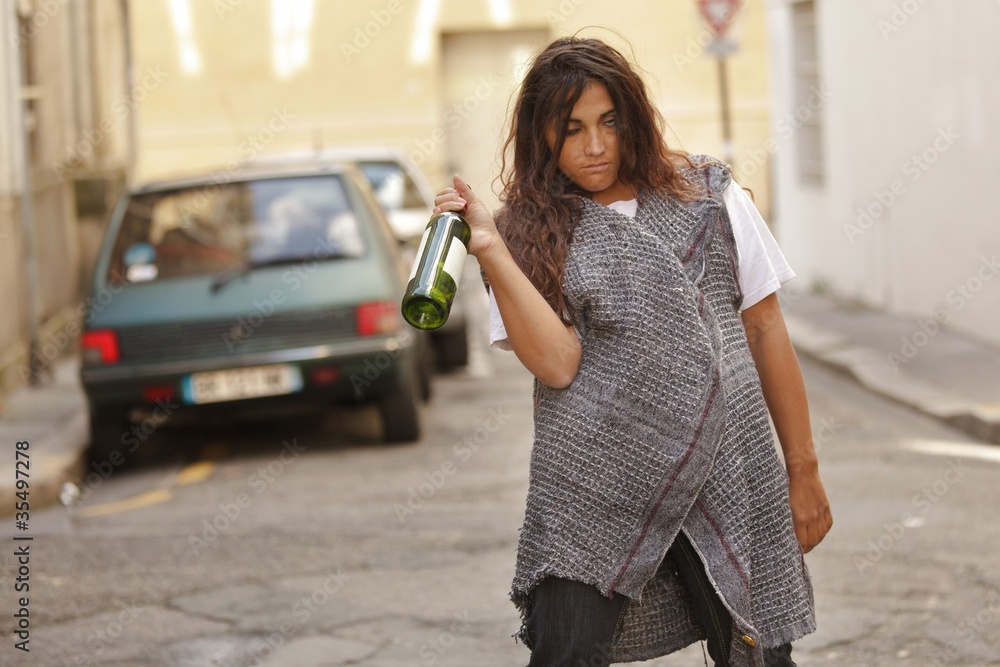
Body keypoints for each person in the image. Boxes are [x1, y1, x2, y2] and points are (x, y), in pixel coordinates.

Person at [433, 36, 832, 667]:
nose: (594, 146)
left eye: (609, 122)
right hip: (593, 483)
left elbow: (764, 327)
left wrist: (802, 469)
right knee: (565, 652)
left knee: (755, 653)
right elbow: (558, 363)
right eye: (571, 129)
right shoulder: (528, 234)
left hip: (723, 462)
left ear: (634, 120)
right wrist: (489, 250)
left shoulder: (707, 196)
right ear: (542, 137)